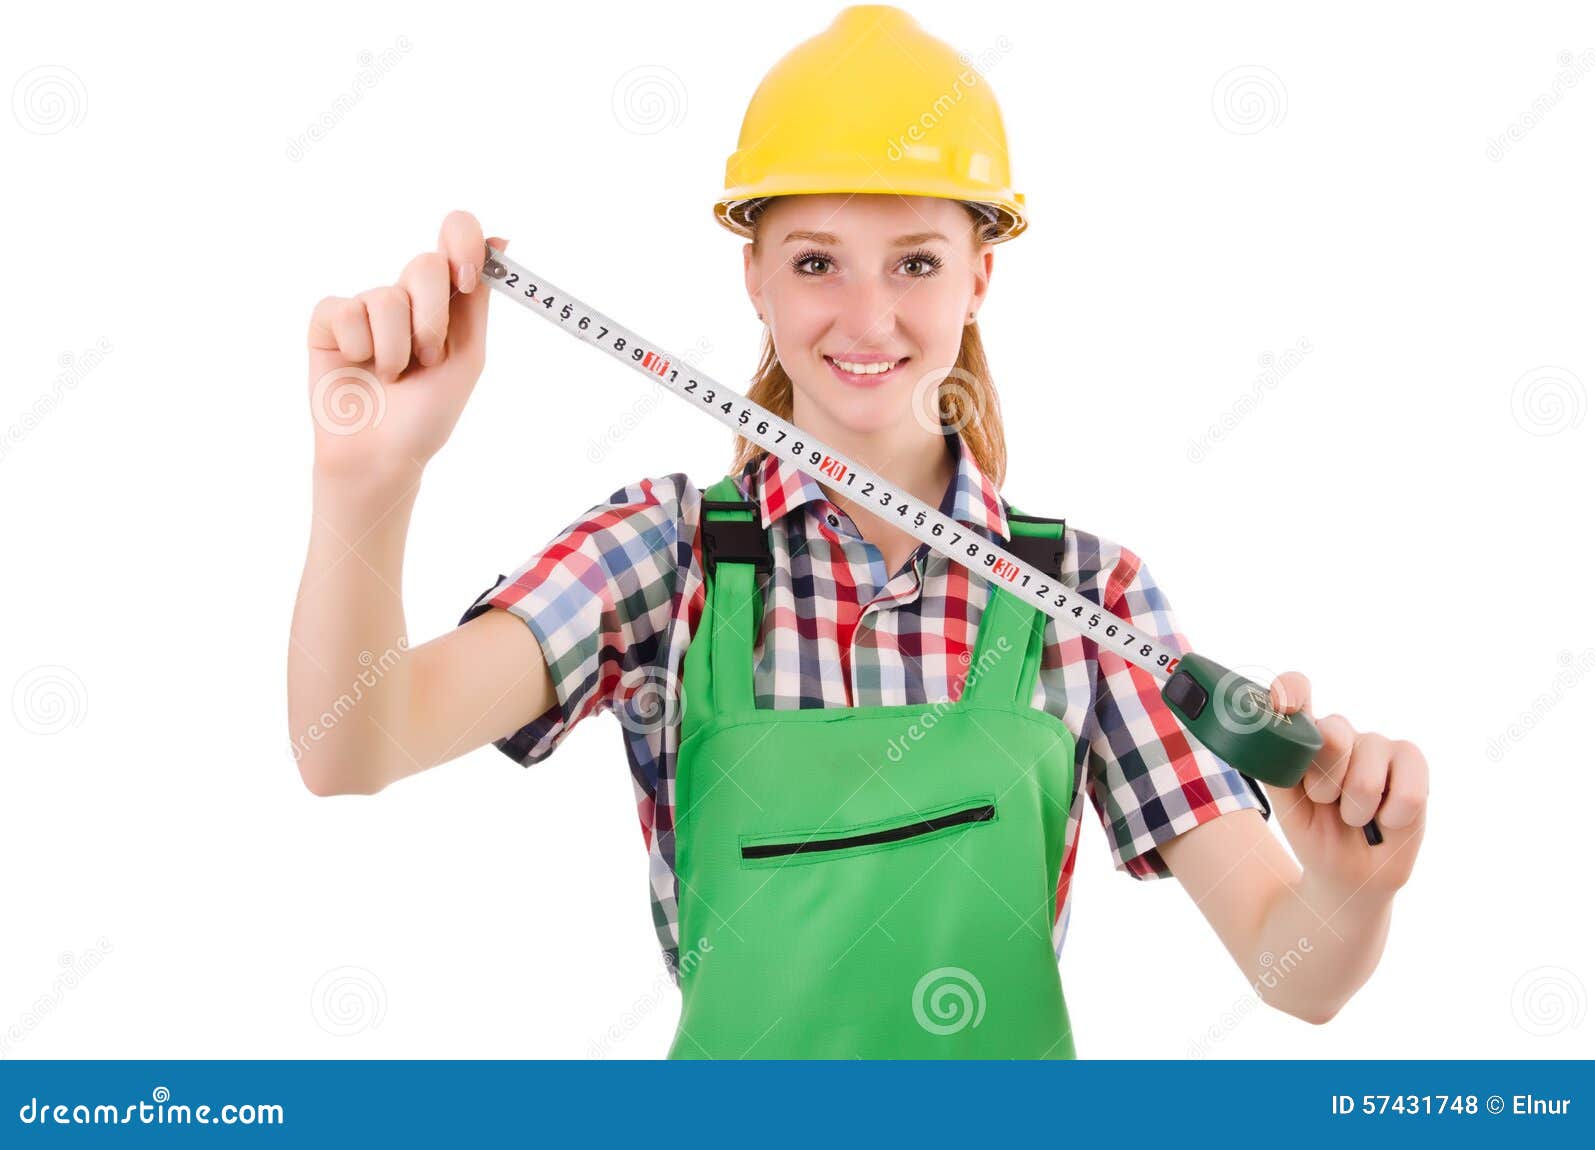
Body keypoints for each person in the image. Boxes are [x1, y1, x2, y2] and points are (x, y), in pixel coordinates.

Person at [289, 4, 1429, 1058]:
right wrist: (371, 479)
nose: (867, 317)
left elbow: (1295, 972)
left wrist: (1348, 891)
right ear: (755, 278)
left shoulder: (1086, 595)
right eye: (816, 262)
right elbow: (356, 744)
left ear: (981, 274)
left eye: (917, 264)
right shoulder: (663, 558)